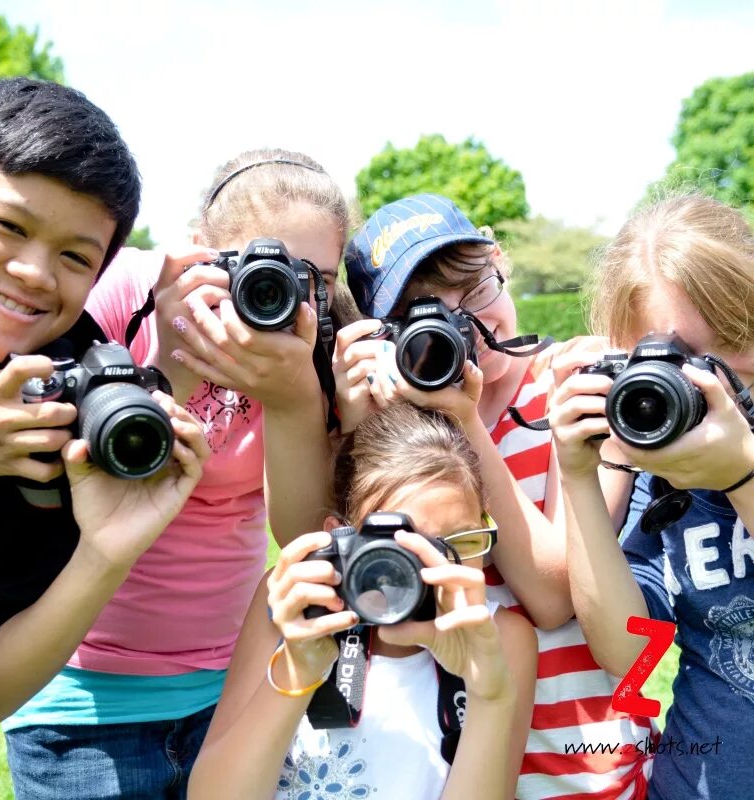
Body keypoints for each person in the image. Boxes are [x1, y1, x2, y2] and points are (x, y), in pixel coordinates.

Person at [4, 149, 352, 799]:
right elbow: (64, 466)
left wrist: (293, 397)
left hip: (229, 690)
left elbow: (303, 532)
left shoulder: (317, 345)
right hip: (84, 699)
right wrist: (172, 358)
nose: (280, 295)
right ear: (196, 253)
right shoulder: (126, 292)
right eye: (254, 267)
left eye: (313, 277)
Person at [339, 193, 655, 798]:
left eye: (477, 290)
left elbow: (554, 596)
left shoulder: (575, 393)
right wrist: (353, 423)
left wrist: (466, 422)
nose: (468, 326)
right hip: (451, 770)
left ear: (500, 263)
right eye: (429, 313)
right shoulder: (401, 428)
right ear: (384, 335)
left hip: (585, 766)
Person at [0, 77, 209, 800]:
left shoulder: (60, 412)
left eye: (75, 256)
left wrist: (103, 553)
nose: (34, 274)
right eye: (8, 226)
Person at [188, 402, 538, 800]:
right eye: (400, 550)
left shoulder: (499, 640)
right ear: (340, 541)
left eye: (459, 543)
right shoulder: (297, 609)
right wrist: (298, 668)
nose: (428, 570)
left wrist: (489, 695)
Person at [547, 193, 754, 800]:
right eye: (676, 360)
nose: (707, 382)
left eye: (731, 343)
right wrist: (582, 476)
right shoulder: (660, 475)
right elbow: (627, 652)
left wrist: (741, 474)